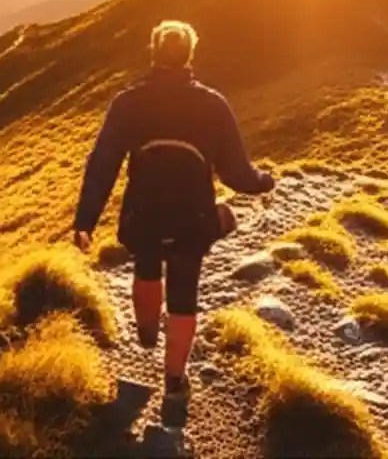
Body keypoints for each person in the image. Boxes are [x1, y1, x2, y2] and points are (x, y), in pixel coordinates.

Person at [72, 20, 276, 400]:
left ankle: (147, 331)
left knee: (146, 261)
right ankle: (174, 382)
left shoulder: (128, 103)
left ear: (154, 51)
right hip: (193, 218)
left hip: (141, 215)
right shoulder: (212, 105)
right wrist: (265, 182)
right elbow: (236, 173)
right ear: (189, 55)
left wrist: (85, 220)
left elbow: (103, 162)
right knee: (185, 289)